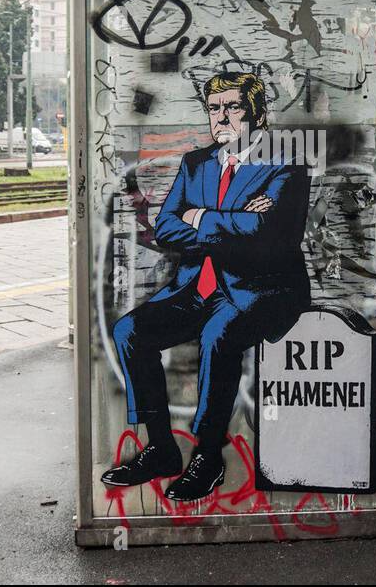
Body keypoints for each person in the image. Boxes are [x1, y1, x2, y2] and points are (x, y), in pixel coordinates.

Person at [100, 72, 310, 502]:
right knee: (130, 332)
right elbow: (166, 230)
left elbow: (272, 236)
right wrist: (231, 223)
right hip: (199, 286)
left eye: (232, 107)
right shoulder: (196, 163)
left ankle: (208, 455)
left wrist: (201, 216)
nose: (222, 117)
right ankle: (160, 448)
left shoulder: (285, 164)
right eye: (215, 109)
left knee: (220, 335)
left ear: (256, 113)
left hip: (264, 289)